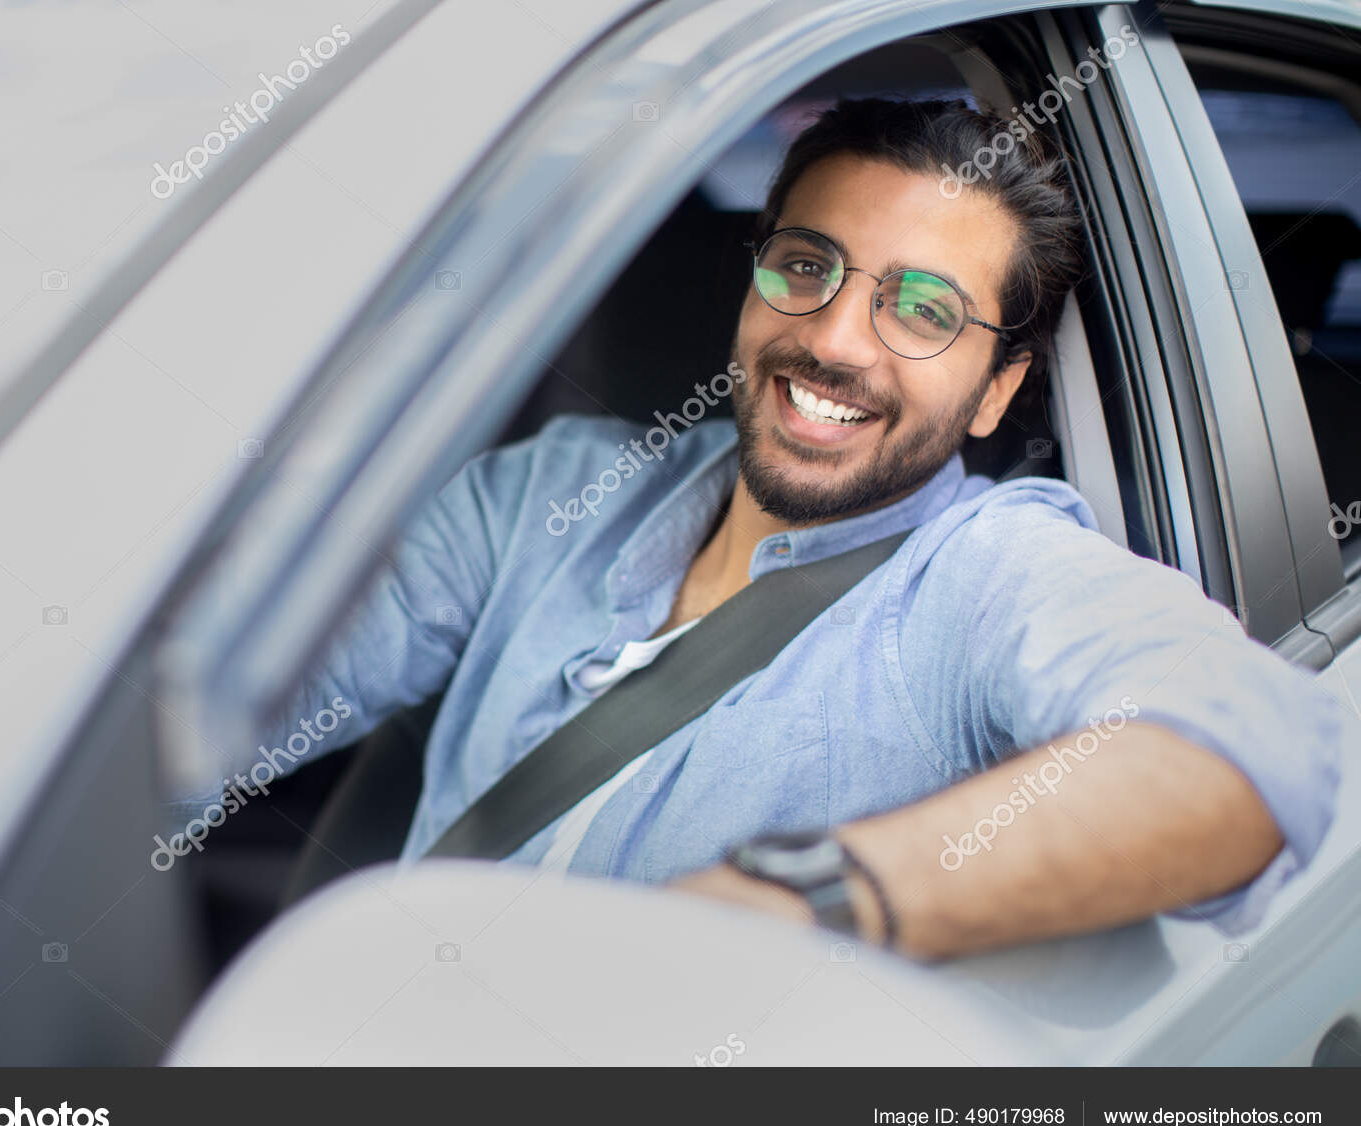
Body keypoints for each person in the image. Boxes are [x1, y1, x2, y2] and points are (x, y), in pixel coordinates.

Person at [184, 99, 1351, 960]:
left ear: (997, 392)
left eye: (924, 308)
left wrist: (806, 900)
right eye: (808, 266)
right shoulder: (547, 496)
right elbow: (211, 704)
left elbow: (1250, 755)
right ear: (751, 284)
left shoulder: (992, 573)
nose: (837, 341)